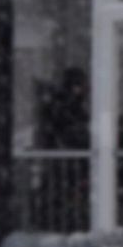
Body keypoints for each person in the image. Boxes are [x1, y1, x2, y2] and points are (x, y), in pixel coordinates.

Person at [35, 66, 90, 231]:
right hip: (68, 165)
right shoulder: (70, 108)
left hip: (61, 165)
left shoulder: (55, 104)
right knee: (65, 205)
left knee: (56, 204)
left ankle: (55, 229)